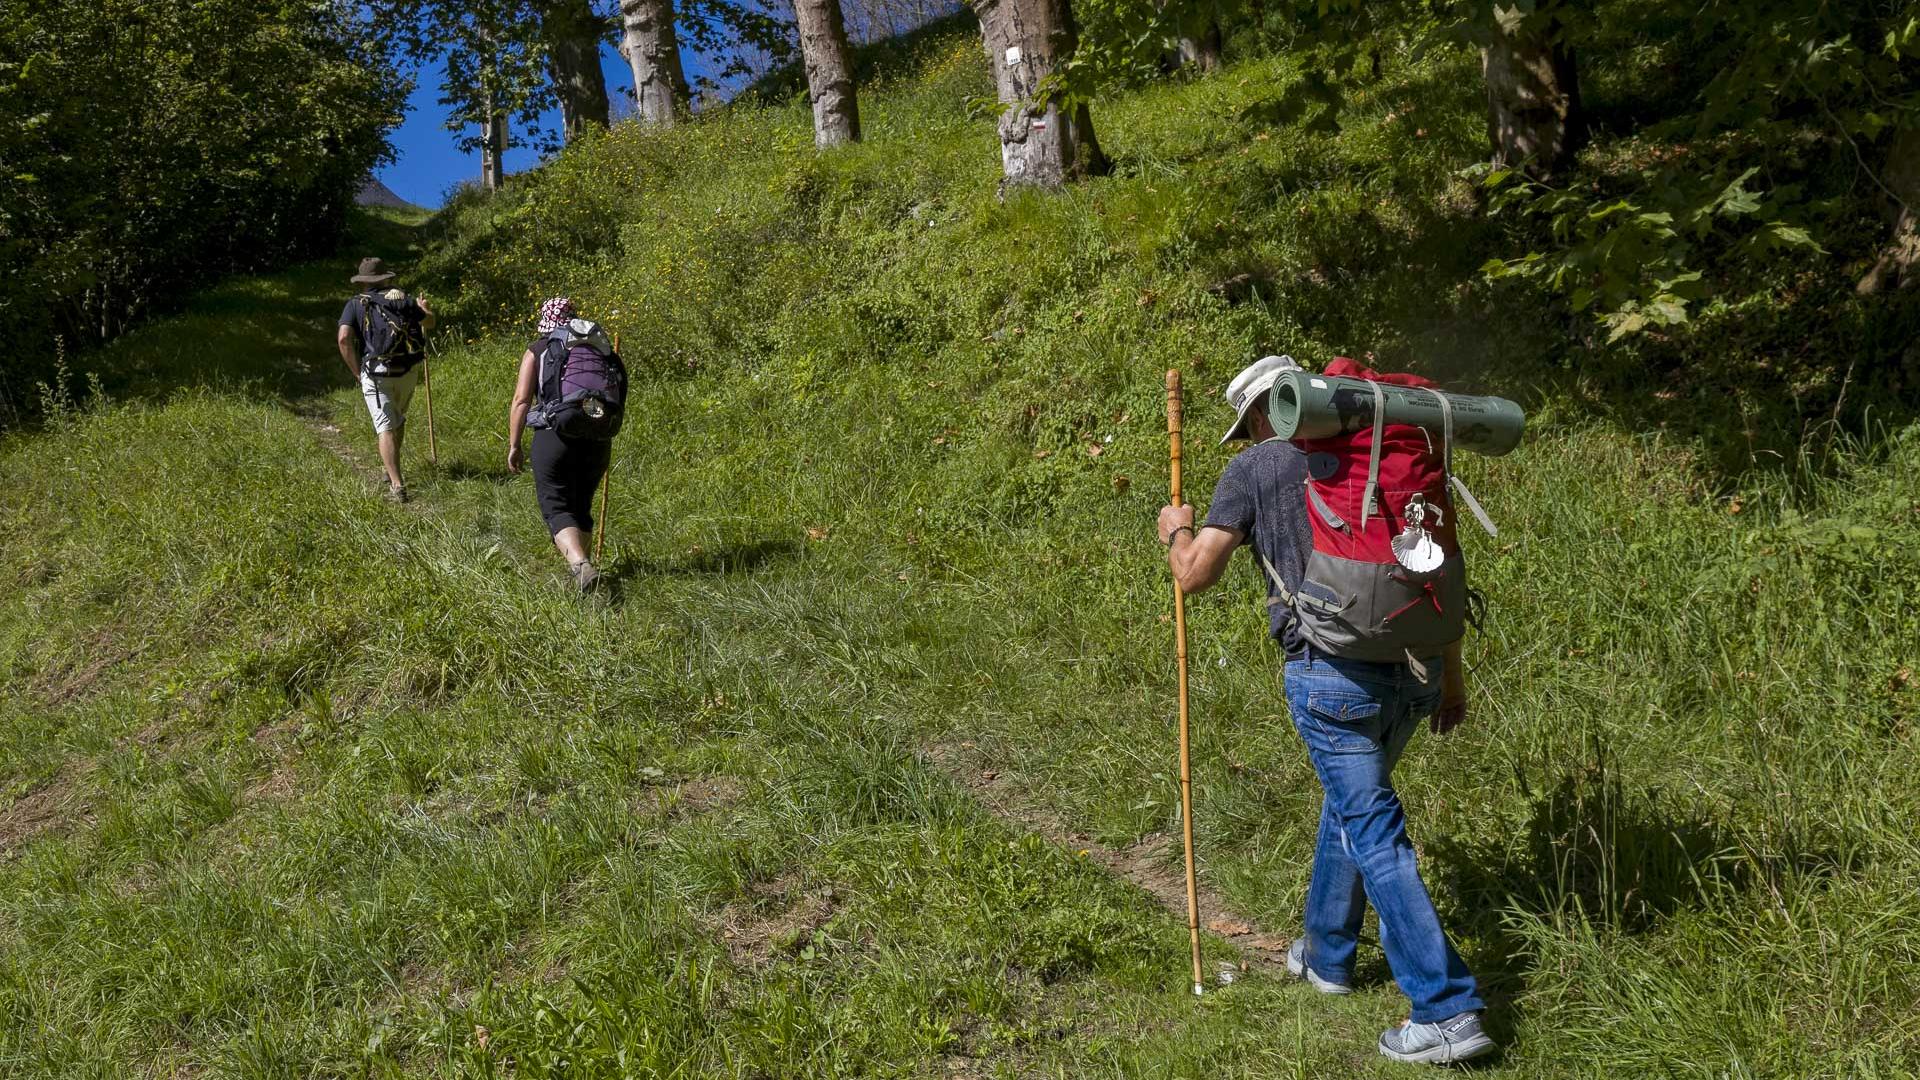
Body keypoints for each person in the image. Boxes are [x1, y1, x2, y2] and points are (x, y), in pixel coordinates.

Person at [1156, 355, 1492, 1066]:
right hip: (1418, 670)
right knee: (1350, 808)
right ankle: (1329, 958)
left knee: (1372, 828)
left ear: (1259, 415)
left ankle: (1446, 1009)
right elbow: (1435, 568)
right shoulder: (1382, 445)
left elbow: (1195, 575)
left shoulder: (1254, 469)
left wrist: (1174, 530)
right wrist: (1453, 679)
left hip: (1330, 674)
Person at [507, 297, 614, 593]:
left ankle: (580, 565)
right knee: (581, 504)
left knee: (556, 504)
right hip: (598, 435)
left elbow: (521, 400)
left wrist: (515, 444)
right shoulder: (598, 347)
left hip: (555, 436)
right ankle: (586, 572)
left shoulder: (539, 349)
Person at [336, 257, 436, 502]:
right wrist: (424, 308)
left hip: (377, 372)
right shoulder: (404, 299)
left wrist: (357, 372)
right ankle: (390, 470)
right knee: (397, 420)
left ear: (363, 282)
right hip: (408, 370)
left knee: (385, 426)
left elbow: (343, 339)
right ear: (386, 277)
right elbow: (430, 322)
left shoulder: (355, 304)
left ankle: (397, 484)